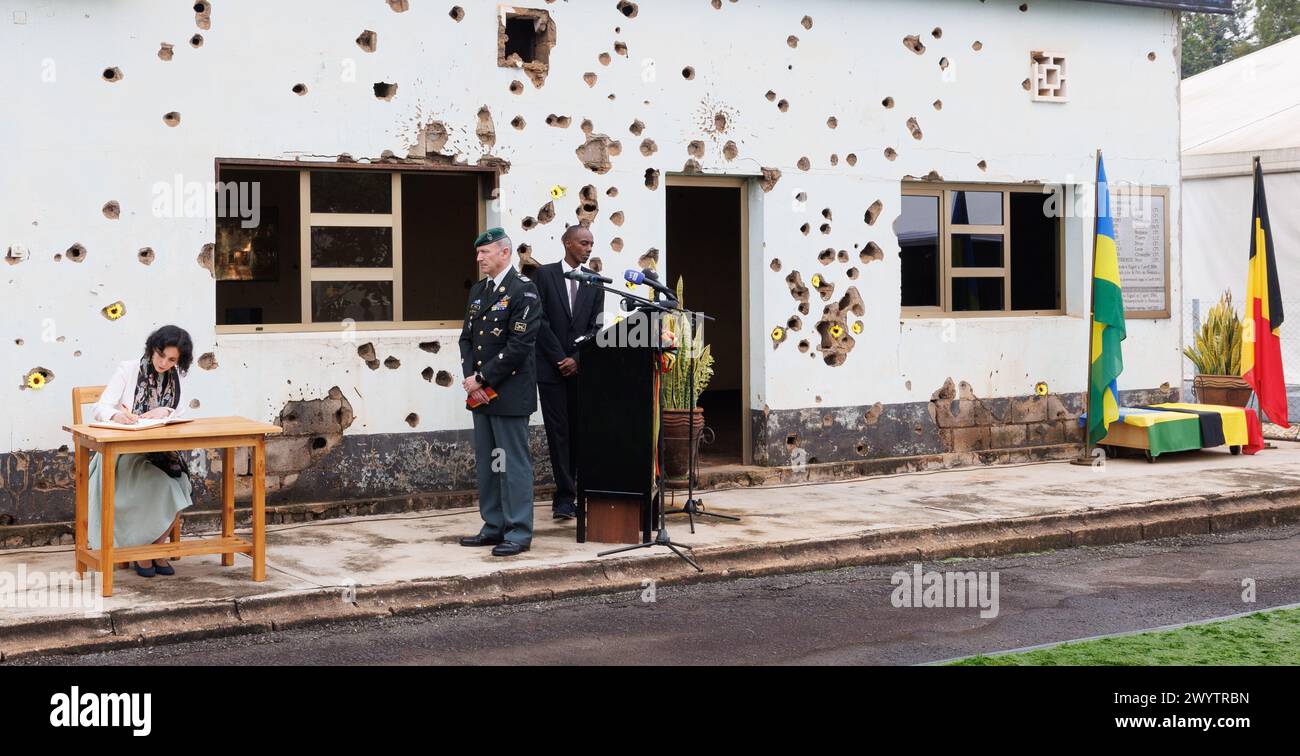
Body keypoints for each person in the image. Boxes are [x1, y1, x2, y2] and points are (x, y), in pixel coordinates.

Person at [458, 228, 542, 557]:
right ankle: (493, 526)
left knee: (513, 465)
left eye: (485, 252)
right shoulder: (479, 291)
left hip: (509, 392)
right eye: (478, 253)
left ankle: (519, 531)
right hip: (480, 393)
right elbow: (467, 338)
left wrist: (482, 377)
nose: (479, 258)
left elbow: (519, 345)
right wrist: (471, 379)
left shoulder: (524, 291)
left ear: (504, 253)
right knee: (490, 462)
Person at [87, 325, 196, 578]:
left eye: (172, 360)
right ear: (152, 349)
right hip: (122, 454)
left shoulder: (178, 375)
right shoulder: (128, 369)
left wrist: (165, 411)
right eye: (161, 355)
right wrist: (117, 415)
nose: (164, 363)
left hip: (159, 451)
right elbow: (100, 407)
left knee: (181, 481)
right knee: (165, 485)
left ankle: (155, 548)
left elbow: (181, 411)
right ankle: (144, 550)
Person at [534, 225, 605, 520]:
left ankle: (576, 490)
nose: (588, 248)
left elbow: (596, 327)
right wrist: (560, 358)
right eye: (583, 243)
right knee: (558, 433)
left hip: (581, 370)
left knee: (578, 432)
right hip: (551, 371)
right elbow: (539, 320)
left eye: (591, 244)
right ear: (567, 243)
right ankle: (564, 497)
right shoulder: (545, 275)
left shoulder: (596, 282)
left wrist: (577, 359)